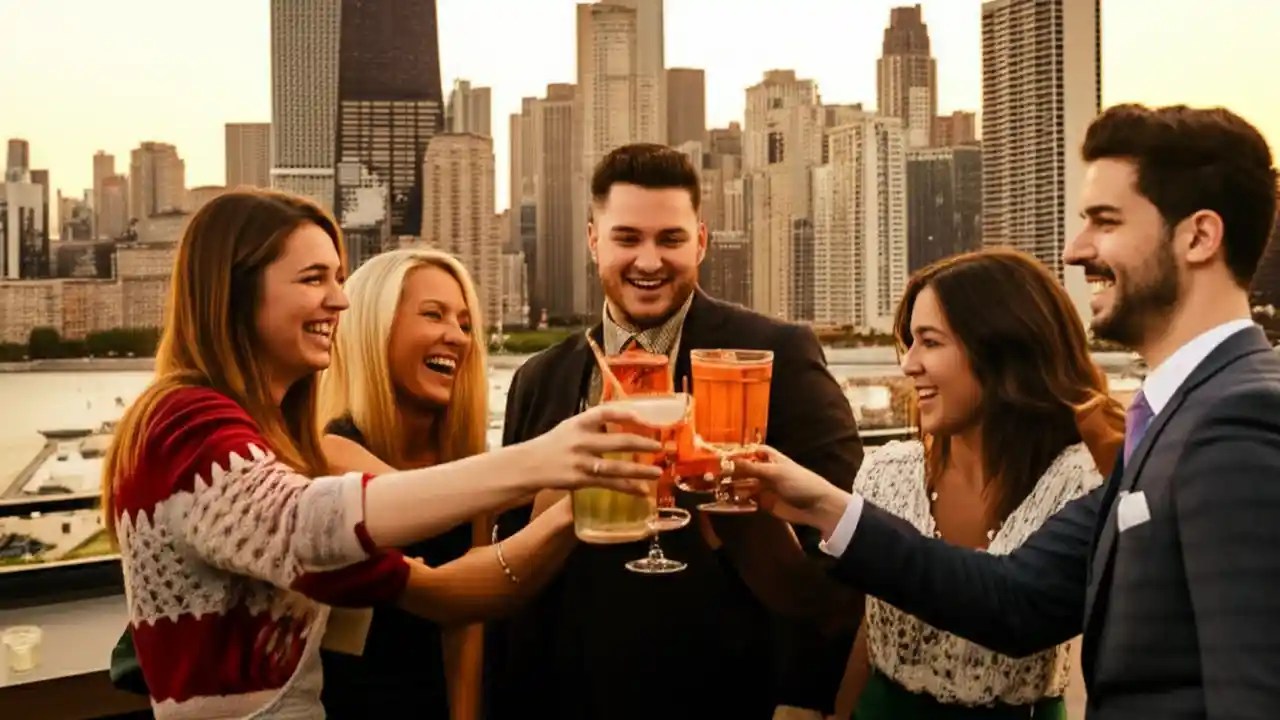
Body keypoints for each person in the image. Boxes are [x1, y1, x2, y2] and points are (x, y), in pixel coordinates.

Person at [732, 103, 1280, 719]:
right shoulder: (1170, 417)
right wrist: (816, 501)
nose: (1076, 251)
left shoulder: (1239, 419)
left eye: (1105, 221)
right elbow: (1013, 599)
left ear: (1199, 237)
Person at [100, 189, 661, 719]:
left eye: (339, 278)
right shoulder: (182, 421)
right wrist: (543, 459)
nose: (340, 299)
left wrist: (579, 493)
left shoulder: (270, 457)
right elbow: (310, 521)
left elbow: (450, 594)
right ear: (236, 290)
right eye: (314, 278)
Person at [487, 143, 865, 720]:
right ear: (593, 240)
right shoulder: (540, 377)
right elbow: (512, 553)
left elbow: (840, 541)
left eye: (669, 240)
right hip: (569, 689)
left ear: (702, 242)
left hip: (725, 690)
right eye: (627, 238)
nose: (648, 261)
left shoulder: (775, 354)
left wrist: (804, 698)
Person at [827, 248, 1124, 719]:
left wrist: (821, 504)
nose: (909, 365)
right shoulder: (887, 472)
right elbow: (872, 631)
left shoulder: (1082, 482)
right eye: (910, 342)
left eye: (931, 341)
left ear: (1001, 349)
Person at [316, 248, 581, 719]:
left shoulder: (466, 471)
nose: (456, 337)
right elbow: (416, 515)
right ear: (373, 330)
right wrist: (564, 468)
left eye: (464, 323)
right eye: (433, 315)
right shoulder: (330, 453)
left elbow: (465, 630)